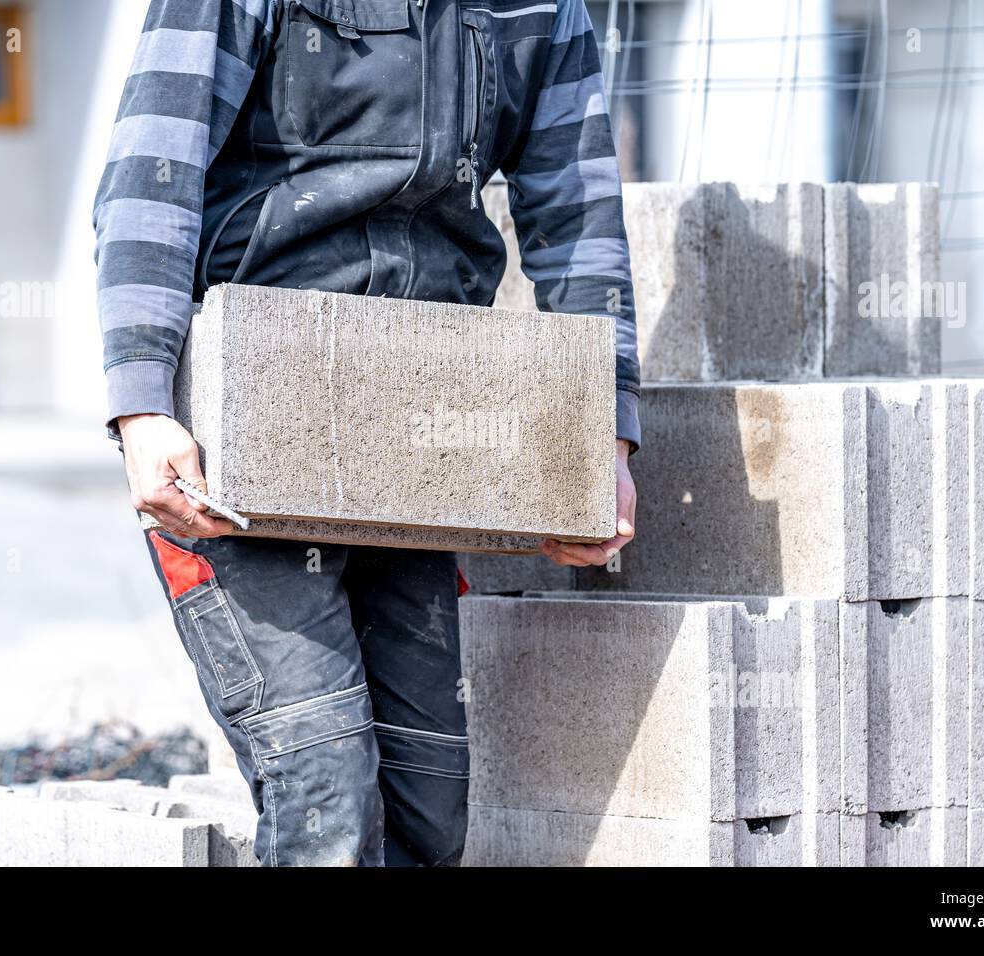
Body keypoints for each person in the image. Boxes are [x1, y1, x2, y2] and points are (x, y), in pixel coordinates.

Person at [93, 0, 641, 866]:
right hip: (237, 447)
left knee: (426, 811)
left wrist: (603, 438)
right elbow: (149, 175)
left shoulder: (541, 9)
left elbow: (578, 217)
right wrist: (142, 405)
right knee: (326, 797)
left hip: (417, 440)